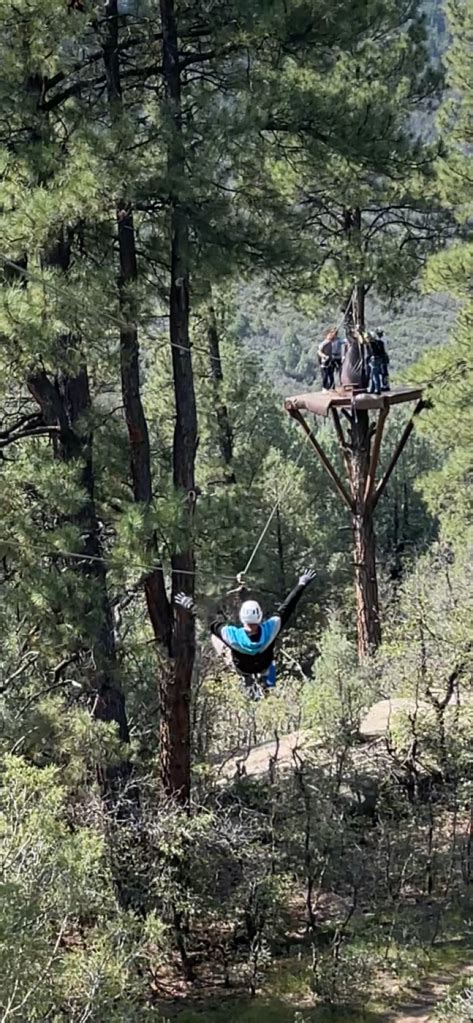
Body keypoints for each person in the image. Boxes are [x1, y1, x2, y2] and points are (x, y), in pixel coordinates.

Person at [175, 568, 316, 694]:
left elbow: (209, 620)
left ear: (242, 617)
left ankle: (247, 678)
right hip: (264, 664)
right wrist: (301, 583)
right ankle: (270, 683)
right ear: (260, 616)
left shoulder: (232, 635)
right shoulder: (271, 628)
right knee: (271, 648)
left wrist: (190, 605)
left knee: (215, 636)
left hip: (242, 668)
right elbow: (287, 607)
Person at [367, 331, 388, 396]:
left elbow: (371, 352)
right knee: (373, 374)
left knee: (374, 374)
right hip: (379, 359)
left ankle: (377, 389)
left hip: (374, 359)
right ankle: (373, 388)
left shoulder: (371, 343)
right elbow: (383, 352)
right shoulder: (380, 343)